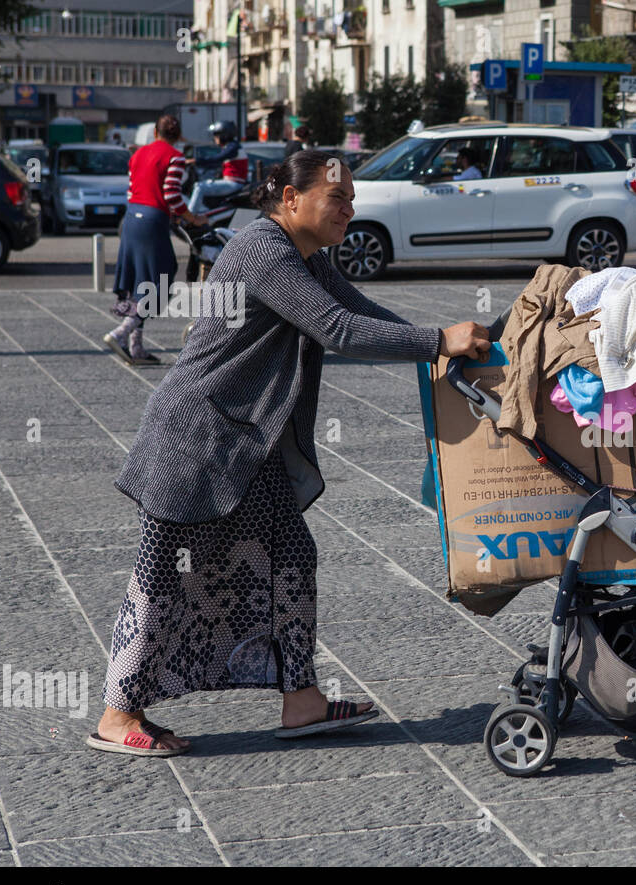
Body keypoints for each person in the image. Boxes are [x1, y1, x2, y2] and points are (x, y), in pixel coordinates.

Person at [87, 149, 491, 757]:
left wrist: (436, 344)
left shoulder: (306, 255)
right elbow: (338, 330)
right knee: (166, 573)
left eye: (352, 199)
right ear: (291, 198)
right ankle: (118, 715)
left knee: (292, 558)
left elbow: (358, 309)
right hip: (198, 441)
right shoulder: (264, 249)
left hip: (247, 446)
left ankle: (301, 700)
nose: (349, 210)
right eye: (339, 199)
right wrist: (435, 340)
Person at [104, 114, 207, 364]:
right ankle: (122, 332)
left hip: (131, 218)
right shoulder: (175, 156)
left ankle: (136, 346)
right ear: (178, 136)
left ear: (154, 133)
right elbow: (171, 194)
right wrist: (193, 219)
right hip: (153, 220)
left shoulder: (138, 154)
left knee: (138, 278)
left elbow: (132, 188)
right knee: (161, 277)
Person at [189, 120, 248, 184]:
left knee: (199, 187)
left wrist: (196, 161)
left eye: (216, 135)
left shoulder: (233, 147)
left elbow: (217, 158)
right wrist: (199, 165)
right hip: (231, 182)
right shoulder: (229, 147)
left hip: (234, 182)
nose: (214, 138)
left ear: (224, 135)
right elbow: (216, 164)